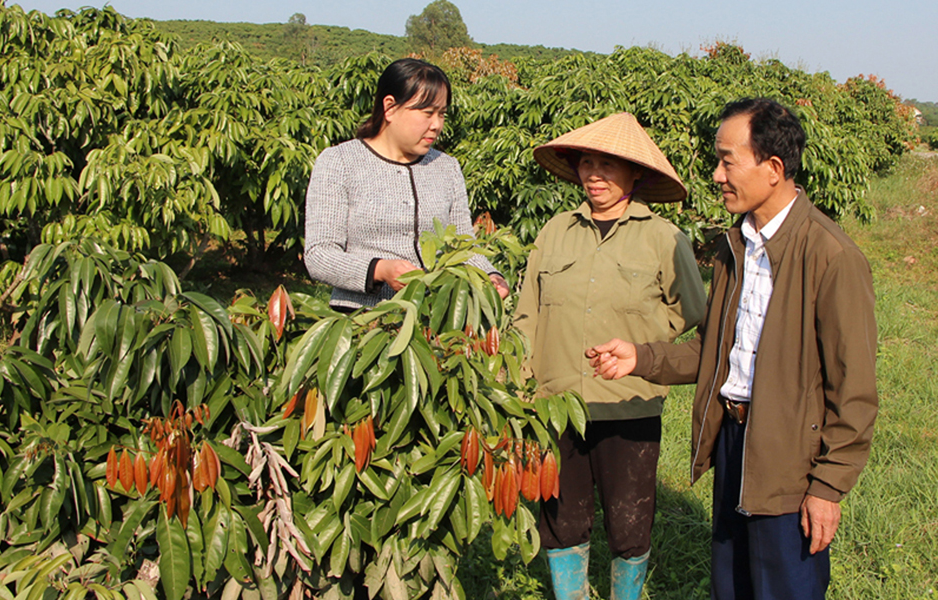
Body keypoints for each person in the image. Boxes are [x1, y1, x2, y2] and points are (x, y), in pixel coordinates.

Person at [587, 98, 878, 600]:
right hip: (734, 440)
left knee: (785, 588)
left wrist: (828, 487)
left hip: (790, 457)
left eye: (728, 160)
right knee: (733, 585)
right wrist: (643, 357)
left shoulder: (831, 257)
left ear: (774, 168)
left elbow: (853, 392)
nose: (716, 174)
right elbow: (716, 350)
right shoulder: (735, 247)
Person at [514, 112, 706, 600]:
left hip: (628, 402)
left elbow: (693, 312)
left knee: (629, 522)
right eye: (586, 163)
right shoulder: (555, 232)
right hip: (556, 401)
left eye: (608, 165)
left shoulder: (663, 237)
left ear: (635, 174)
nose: (593, 174)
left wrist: (646, 343)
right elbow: (528, 313)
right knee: (562, 517)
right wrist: (520, 381)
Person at [304, 58, 508, 311]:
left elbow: (463, 245)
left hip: (432, 319)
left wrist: (490, 275)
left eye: (442, 114)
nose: (436, 125)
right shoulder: (340, 162)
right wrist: (380, 269)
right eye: (427, 113)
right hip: (359, 321)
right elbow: (319, 255)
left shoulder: (446, 167)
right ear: (389, 108)